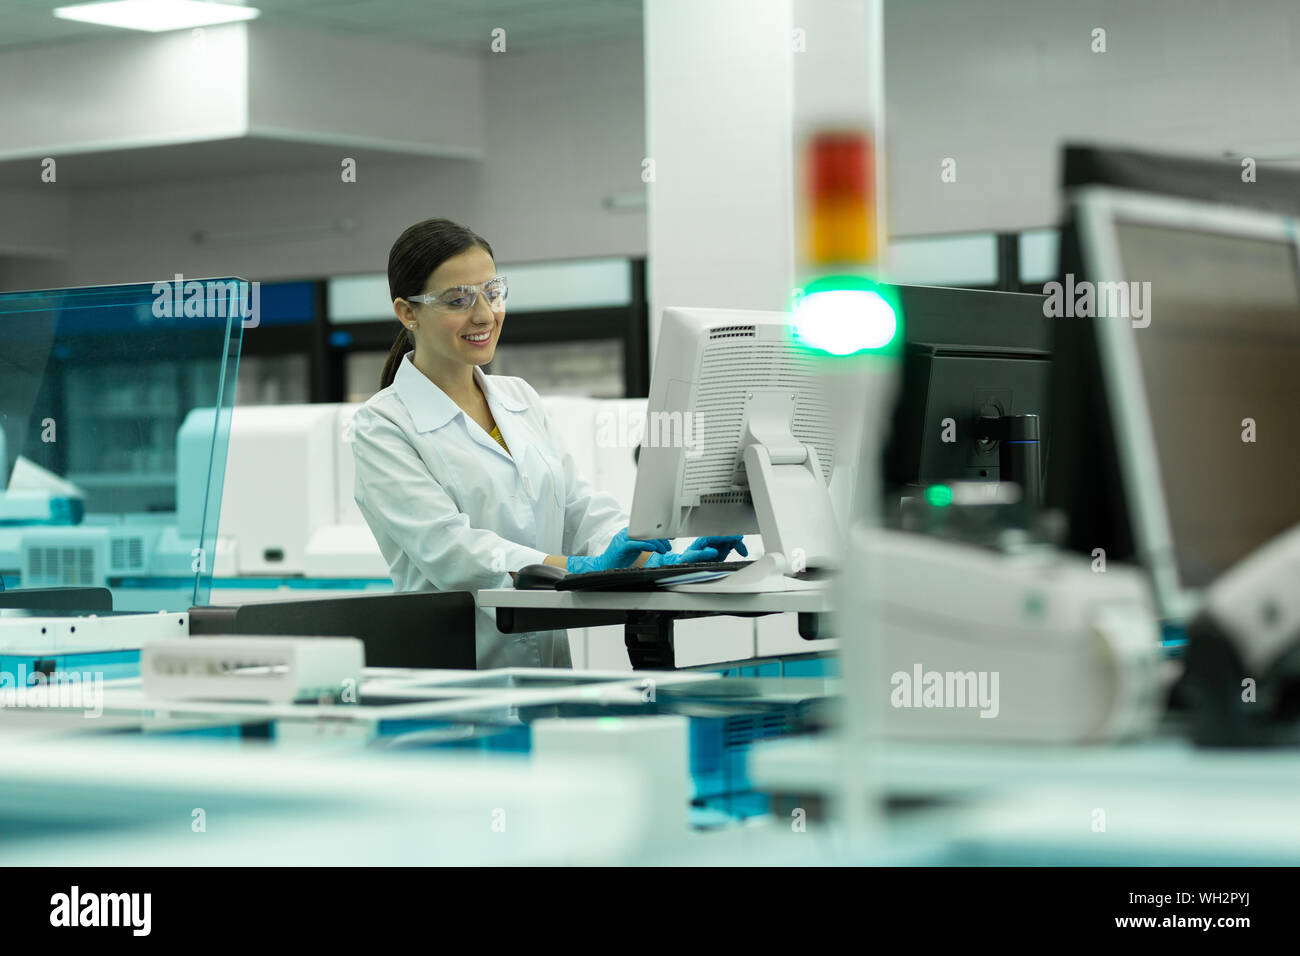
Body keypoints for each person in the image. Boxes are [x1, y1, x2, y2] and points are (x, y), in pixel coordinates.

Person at [352, 218, 745, 667]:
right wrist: (573, 570)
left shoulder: (518, 397)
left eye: (492, 292)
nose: (484, 314)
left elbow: (578, 510)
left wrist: (659, 557)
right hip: (455, 675)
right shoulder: (383, 425)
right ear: (408, 312)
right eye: (458, 299)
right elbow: (452, 552)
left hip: (548, 670)